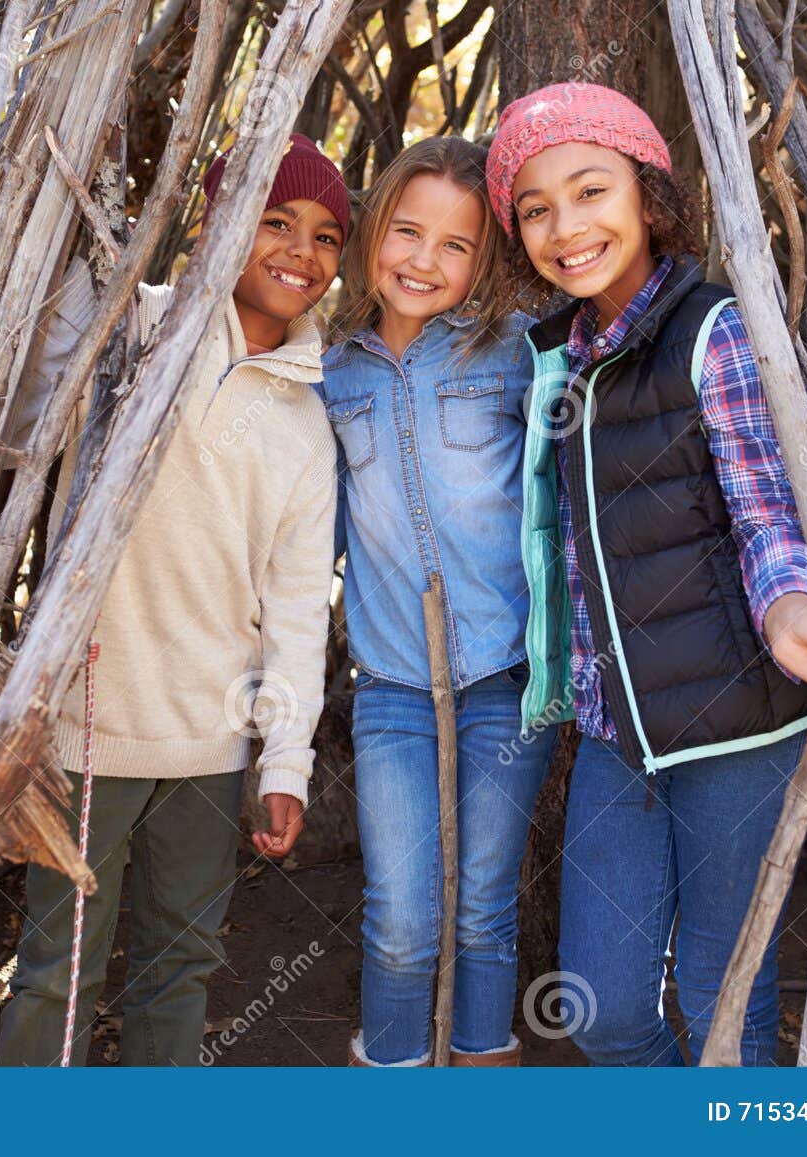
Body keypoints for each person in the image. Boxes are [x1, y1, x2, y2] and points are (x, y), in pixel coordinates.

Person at [487, 84, 807, 1065]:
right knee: (602, 1010)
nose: (565, 225)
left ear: (645, 197)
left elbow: (763, 506)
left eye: (589, 191)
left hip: (735, 719)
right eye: (535, 207)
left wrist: (791, 610)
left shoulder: (709, 330)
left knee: (728, 1001)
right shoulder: (551, 357)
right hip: (612, 729)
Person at [0, 133, 349, 1066]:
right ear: (215, 220)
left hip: (211, 741)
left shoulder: (308, 421)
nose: (298, 252)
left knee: (179, 965)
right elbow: (28, 418)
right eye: (275, 221)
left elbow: (299, 609)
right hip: (90, 724)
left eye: (323, 235)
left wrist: (284, 763)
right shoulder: (136, 330)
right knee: (55, 970)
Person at [321, 137, 552, 1066]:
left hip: (503, 677)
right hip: (392, 689)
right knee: (403, 923)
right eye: (406, 233)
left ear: (484, 259)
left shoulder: (515, 354)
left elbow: (564, 493)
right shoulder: (332, 372)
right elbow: (312, 530)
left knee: (484, 911)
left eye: (454, 246)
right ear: (374, 230)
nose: (424, 260)